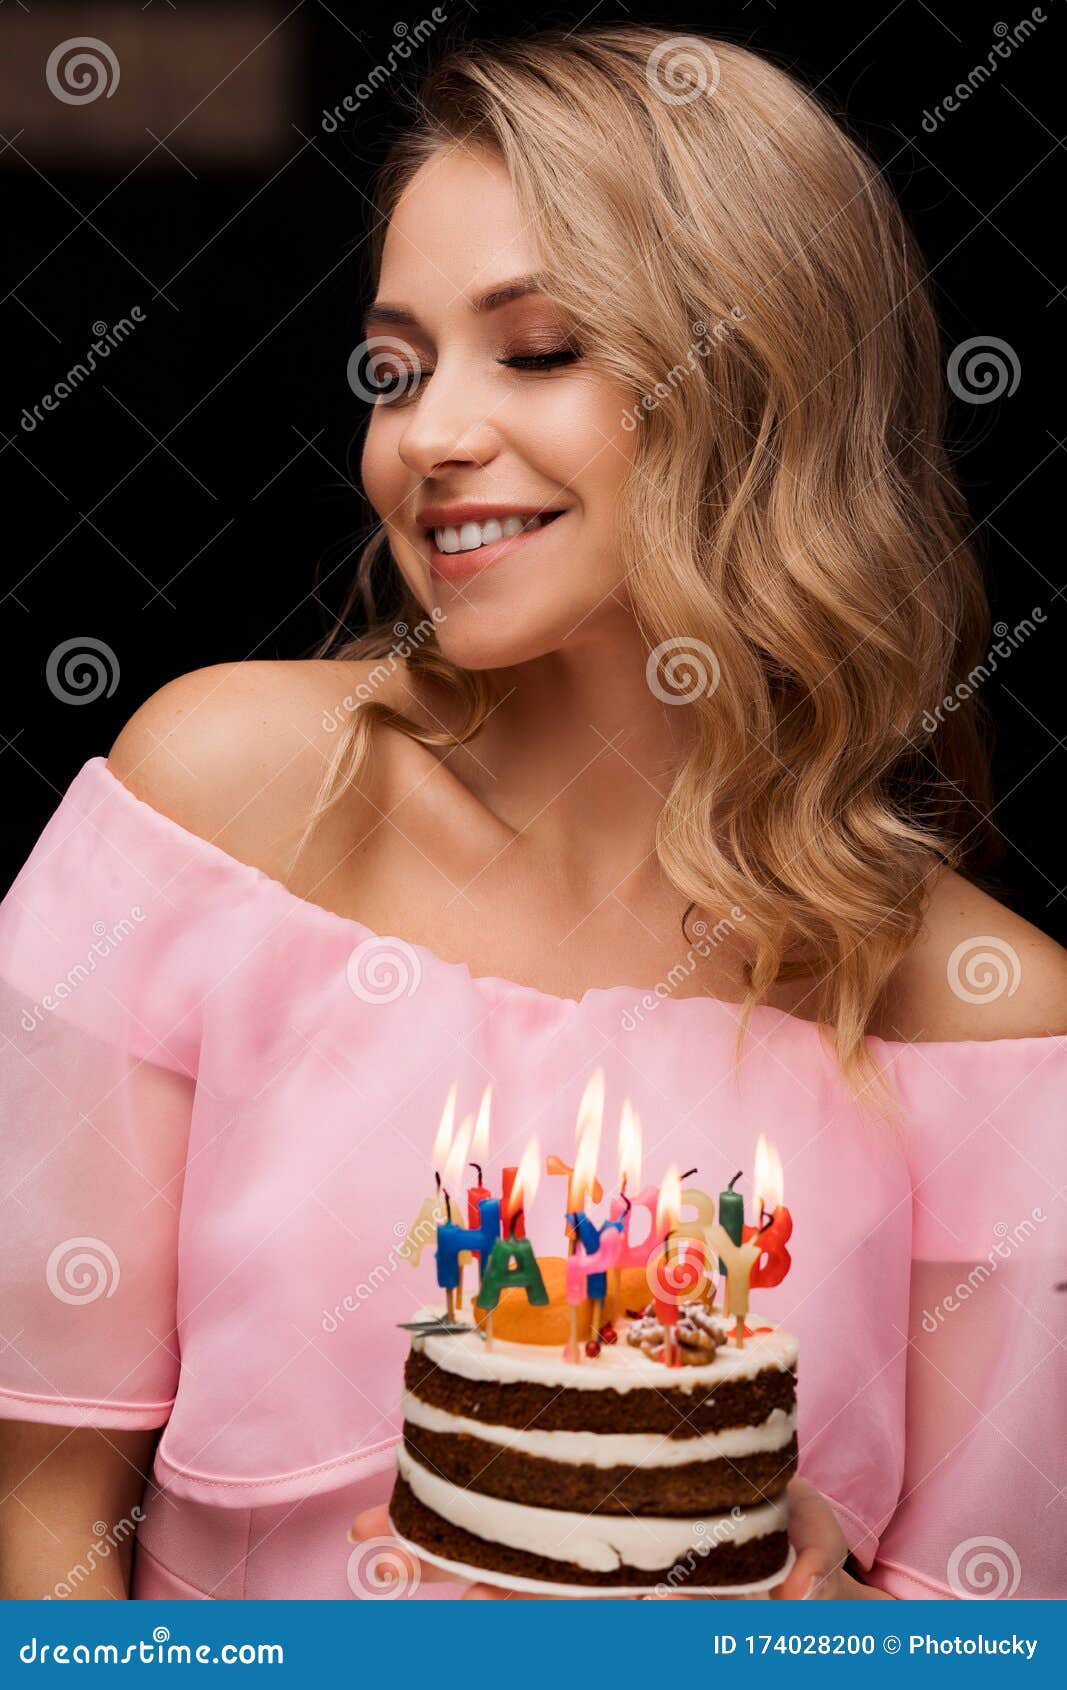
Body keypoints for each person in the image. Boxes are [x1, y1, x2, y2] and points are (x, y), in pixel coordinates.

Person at [1, 26, 1064, 1603]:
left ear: (761, 384)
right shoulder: (219, 803)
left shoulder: (990, 1021)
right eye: (397, 365)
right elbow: (35, 1520)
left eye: (541, 349)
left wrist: (832, 1638)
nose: (426, 437)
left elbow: (989, 1631)